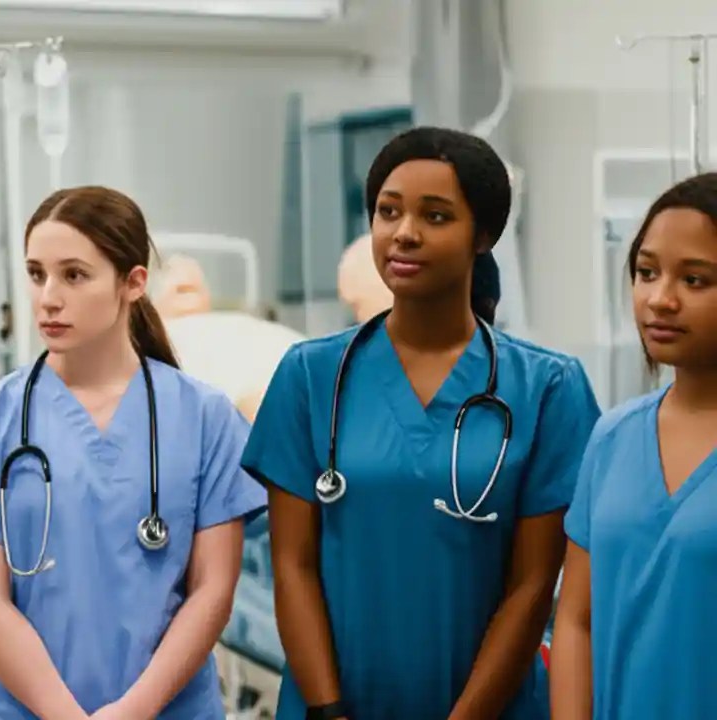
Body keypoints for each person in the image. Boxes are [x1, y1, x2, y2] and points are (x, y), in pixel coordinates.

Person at [241, 126, 601, 720]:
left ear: (482, 235)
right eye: (388, 211)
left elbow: (533, 586)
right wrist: (328, 710)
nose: (403, 232)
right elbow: (293, 565)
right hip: (336, 703)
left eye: (435, 216)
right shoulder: (312, 377)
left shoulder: (547, 389)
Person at [0, 185, 268, 719]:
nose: (48, 297)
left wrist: (132, 711)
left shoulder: (203, 418)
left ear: (133, 283)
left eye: (74, 275)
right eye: (36, 274)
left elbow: (213, 591)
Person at [550, 171, 717, 719]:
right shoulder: (613, 437)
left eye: (695, 280)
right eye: (647, 273)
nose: (660, 299)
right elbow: (576, 620)